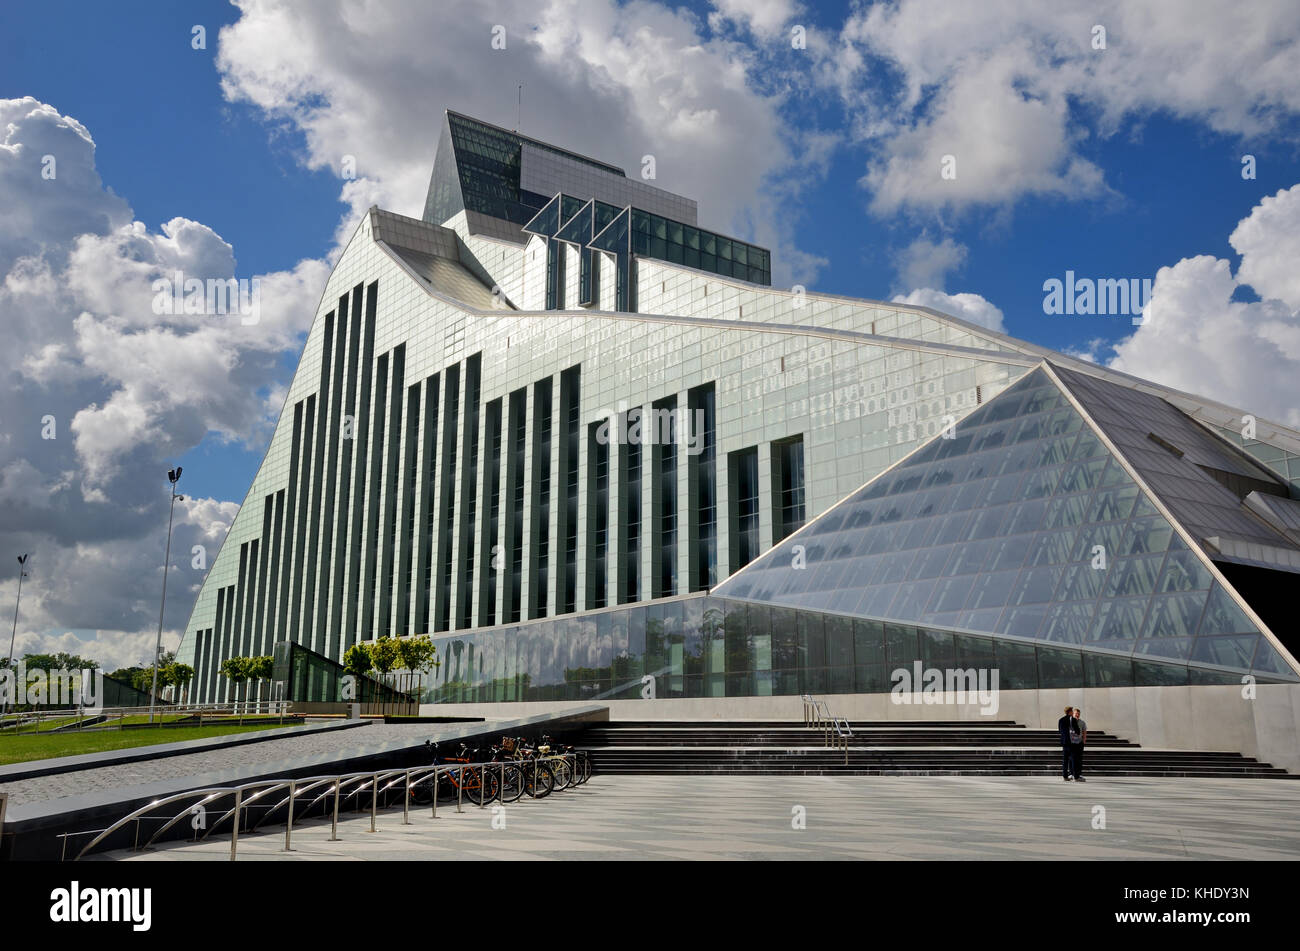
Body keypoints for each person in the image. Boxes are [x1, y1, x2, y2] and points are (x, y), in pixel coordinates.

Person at [1069, 706, 1087, 782]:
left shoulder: (1082, 722)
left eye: (1078, 714)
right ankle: (1071, 773)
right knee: (1071, 758)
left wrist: (1084, 741)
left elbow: (1084, 732)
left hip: (1079, 743)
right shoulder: (1069, 721)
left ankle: (1079, 773)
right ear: (1073, 714)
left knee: (1079, 759)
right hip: (1071, 743)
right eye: (1076, 713)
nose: (1077, 715)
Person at [1057, 705, 1075, 781]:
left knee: (1065, 760)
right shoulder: (1072, 719)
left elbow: (1060, 731)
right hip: (1071, 741)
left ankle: (1065, 776)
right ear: (1070, 712)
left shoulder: (1061, 720)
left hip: (1064, 742)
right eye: (1072, 711)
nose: (1073, 712)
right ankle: (1072, 774)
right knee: (1072, 759)